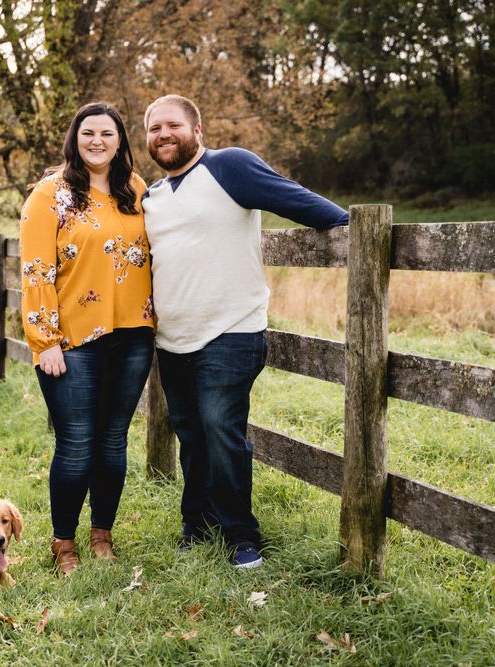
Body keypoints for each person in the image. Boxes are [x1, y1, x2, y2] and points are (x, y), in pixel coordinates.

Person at [141, 94, 348, 569]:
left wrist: (352, 226)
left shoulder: (229, 167)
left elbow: (297, 199)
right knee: (190, 433)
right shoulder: (151, 197)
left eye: (173, 125)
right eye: (154, 128)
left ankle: (241, 536)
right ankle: (198, 526)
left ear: (197, 129)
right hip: (173, 337)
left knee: (220, 429)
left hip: (231, 329)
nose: (163, 134)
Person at [20, 102, 155, 575]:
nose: (97, 141)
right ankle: (64, 544)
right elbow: (36, 270)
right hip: (73, 340)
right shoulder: (50, 194)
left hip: (133, 334)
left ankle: (102, 535)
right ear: (75, 140)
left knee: (114, 440)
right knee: (77, 442)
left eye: (107, 133)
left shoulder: (134, 190)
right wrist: (45, 339)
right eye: (88, 134)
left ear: (121, 140)